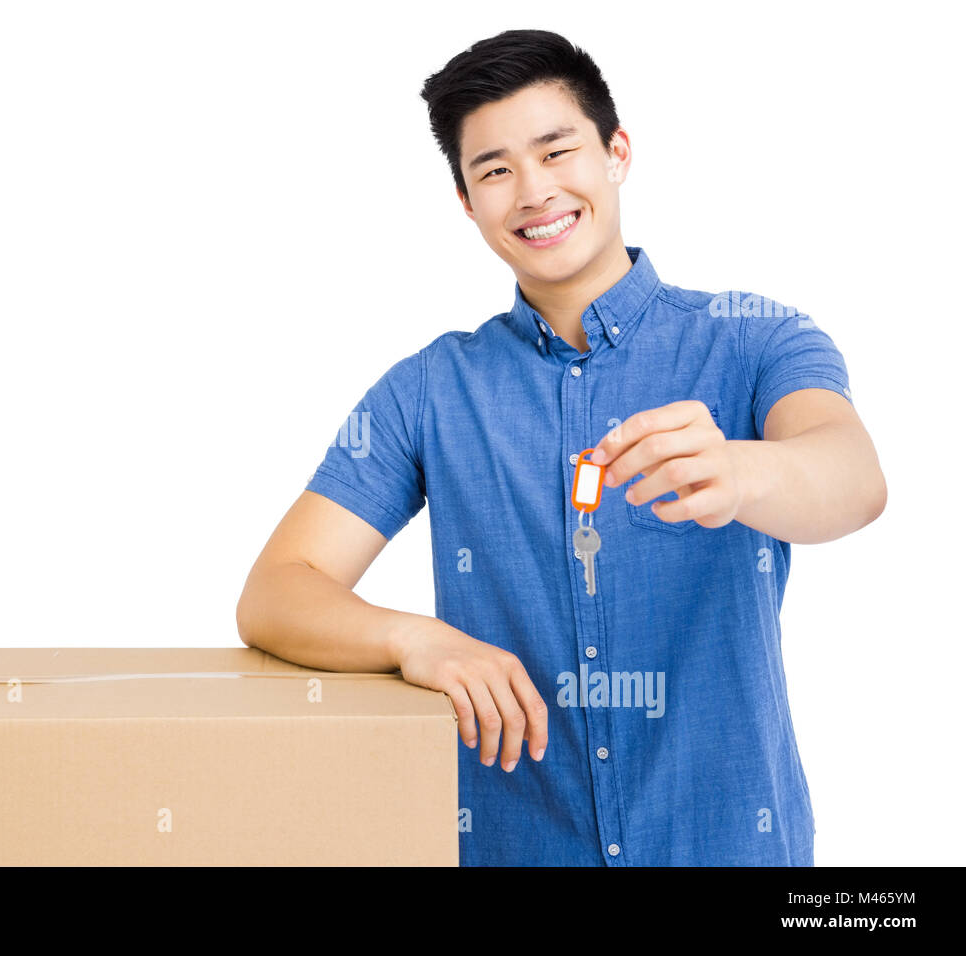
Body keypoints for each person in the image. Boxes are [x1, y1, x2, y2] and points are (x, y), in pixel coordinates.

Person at [235, 28, 886, 866]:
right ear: (467, 203)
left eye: (556, 151)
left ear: (617, 153)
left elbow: (854, 477)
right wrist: (416, 640)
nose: (535, 191)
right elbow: (276, 592)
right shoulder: (429, 389)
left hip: (727, 843)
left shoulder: (754, 337)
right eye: (495, 170)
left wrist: (741, 469)